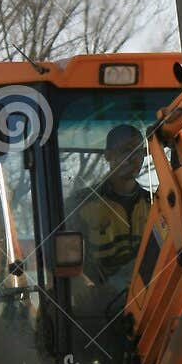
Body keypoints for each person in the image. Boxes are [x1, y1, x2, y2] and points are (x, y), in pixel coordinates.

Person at [70, 124, 151, 289]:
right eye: (125, 150)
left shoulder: (155, 203)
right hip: (98, 304)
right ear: (108, 155)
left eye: (139, 151)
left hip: (148, 298)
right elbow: (67, 266)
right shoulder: (81, 205)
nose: (133, 158)